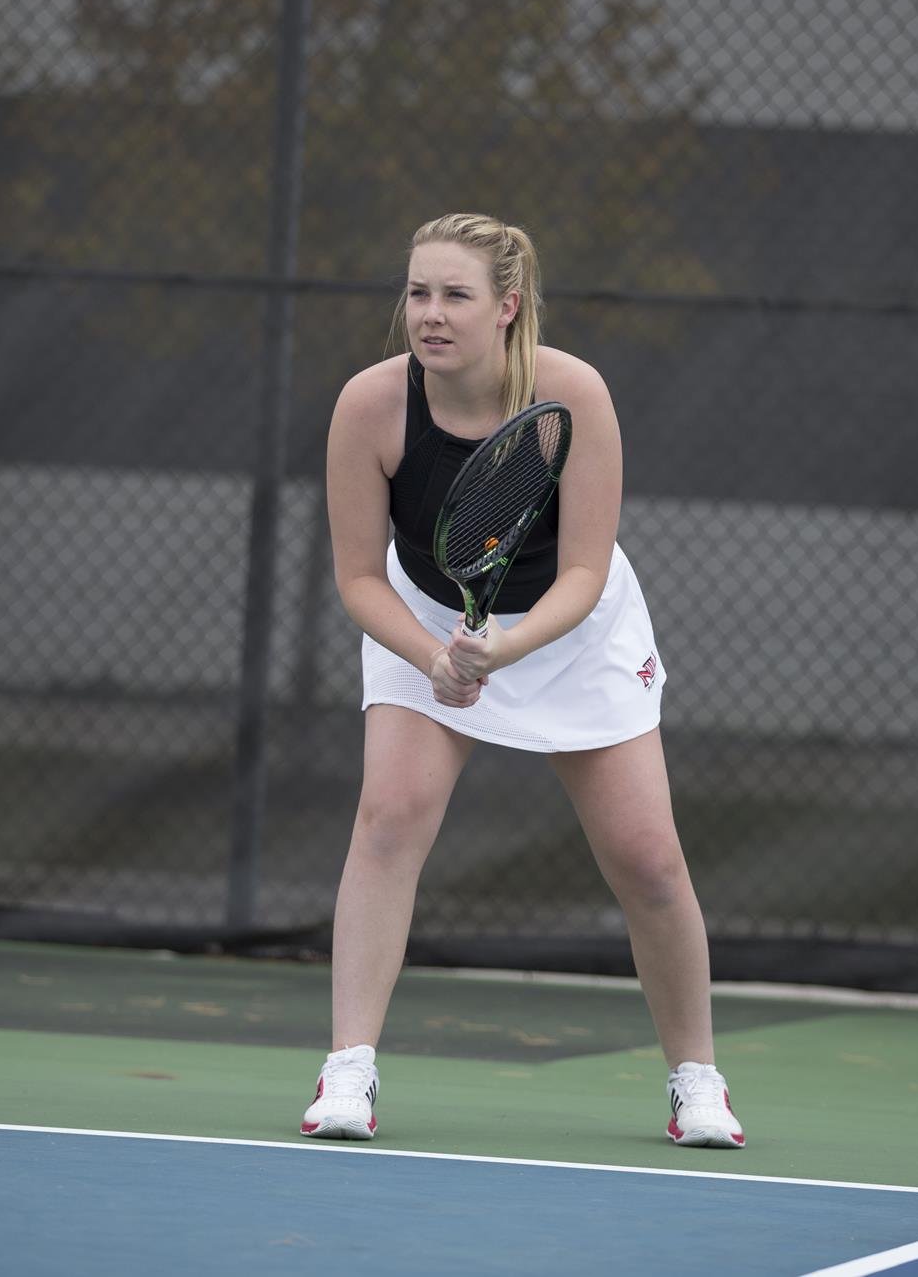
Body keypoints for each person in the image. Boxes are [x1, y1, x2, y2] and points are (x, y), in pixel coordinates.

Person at [299, 212, 744, 1149]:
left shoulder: (573, 394)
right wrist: (435, 659)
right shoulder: (369, 407)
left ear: (507, 307)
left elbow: (583, 573)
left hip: (573, 632)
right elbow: (357, 578)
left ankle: (697, 1081)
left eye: (455, 295)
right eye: (417, 292)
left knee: (648, 858)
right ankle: (349, 1069)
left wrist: (502, 652)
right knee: (389, 817)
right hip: (423, 619)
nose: (430, 313)